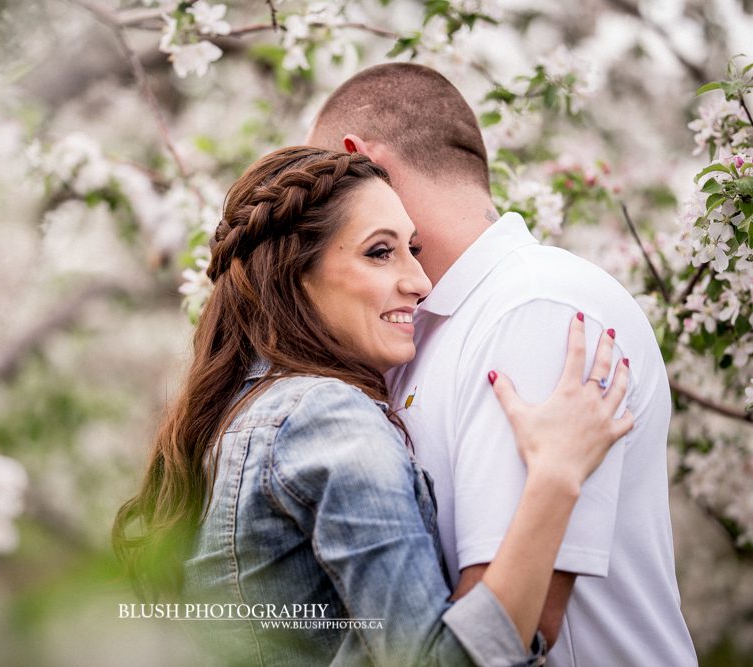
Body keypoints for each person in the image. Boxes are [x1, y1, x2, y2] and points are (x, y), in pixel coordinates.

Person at [113, 146, 634, 666]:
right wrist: (555, 475)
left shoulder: (232, 421)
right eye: (380, 252)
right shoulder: (323, 418)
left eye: (414, 248)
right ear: (294, 275)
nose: (421, 283)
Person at [306, 63, 697, 665]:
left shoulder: (534, 306)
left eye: (323, 178)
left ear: (366, 163)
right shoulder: (414, 329)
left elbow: (516, 624)